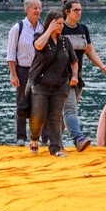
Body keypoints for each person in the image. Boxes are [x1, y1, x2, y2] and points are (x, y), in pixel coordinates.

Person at [58, 0, 106, 153]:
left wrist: (101, 65)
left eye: (80, 10)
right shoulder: (61, 29)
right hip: (63, 77)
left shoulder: (83, 29)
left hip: (77, 77)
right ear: (67, 12)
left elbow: (89, 50)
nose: (79, 12)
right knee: (69, 110)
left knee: (67, 111)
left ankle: (55, 141)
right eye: (75, 10)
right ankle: (78, 139)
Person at [27, 9, 76, 156]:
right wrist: (49, 30)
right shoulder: (40, 37)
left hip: (60, 84)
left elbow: (74, 61)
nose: (61, 26)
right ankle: (34, 138)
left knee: (55, 117)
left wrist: (74, 76)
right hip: (41, 83)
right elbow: (38, 46)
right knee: (39, 116)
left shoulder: (65, 42)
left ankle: (55, 148)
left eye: (62, 24)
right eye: (58, 23)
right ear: (50, 23)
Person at [5, 0, 42, 146]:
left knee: (41, 103)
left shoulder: (42, 28)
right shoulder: (17, 28)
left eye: (39, 8)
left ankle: (39, 137)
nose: (38, 11)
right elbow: (11, 54)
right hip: (23, 70)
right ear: (27, 10)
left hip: (39, 71)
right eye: (35, 8)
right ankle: (21, 138)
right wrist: (13, 74)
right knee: (22, 103)